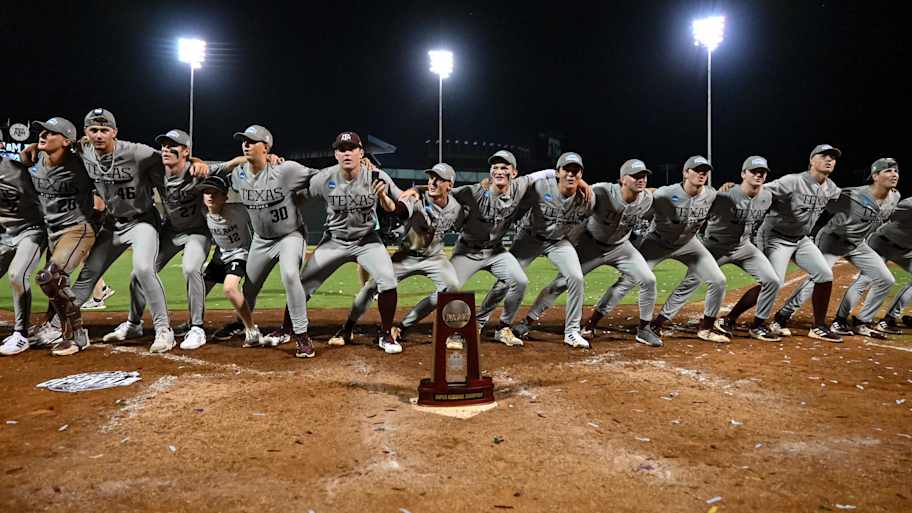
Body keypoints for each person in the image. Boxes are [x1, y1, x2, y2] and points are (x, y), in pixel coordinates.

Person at [400, 150, 554, 347]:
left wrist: (579, 182)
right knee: (446, 289)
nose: (499, 171)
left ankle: (500, 327)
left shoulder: (520, 185)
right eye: (495, 167)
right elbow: (441, 190)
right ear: (490, 172)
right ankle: (404, 326)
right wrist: (418, 190)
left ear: (513, 173)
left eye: (504, 167)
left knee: (519, 280)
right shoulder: (473, 192)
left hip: (495, 251)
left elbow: (547, 173)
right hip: (468, 252)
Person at [583, 155, 730, 344]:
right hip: (657, 242)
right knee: (629, 280)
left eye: (705, 171)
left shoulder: (711, 194)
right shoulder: (664, 194)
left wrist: (730, 187)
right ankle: (591, 322)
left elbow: (733, 197)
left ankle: (697, 327)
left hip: (688, 243)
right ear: (686, 173)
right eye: (697, 170)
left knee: (718, 280)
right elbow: (642, 198)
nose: (702, 173)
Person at [517, 159, 659, 346]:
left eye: (644, 176)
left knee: (649, 280)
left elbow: (662, 196)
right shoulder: (602, 191)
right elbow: (572, 185)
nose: (641, 180)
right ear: (623, 179)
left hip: (621, 248)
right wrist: (581, 182)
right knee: (561, 283)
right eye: (636, 176)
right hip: (590, 245)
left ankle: (644, 329)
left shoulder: (647, 199)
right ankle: (526, 322)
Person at [213, 124, 321, 358]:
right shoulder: (238, 174)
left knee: (290, 275)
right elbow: (212, 174)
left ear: (267, 147)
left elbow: (319, 178)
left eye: (252, 141)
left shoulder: (286, 170)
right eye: (244, 140)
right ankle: (243, 323)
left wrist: (302, 196)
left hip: (289, 235)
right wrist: (233, 162)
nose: (246, 144)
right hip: (261, 240)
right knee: (249, 288)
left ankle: (301, 335)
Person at [328, 162, 463, 347]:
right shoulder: (416, 199)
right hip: (406, 256)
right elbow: (396, 209)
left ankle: (402, 327)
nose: (432, 182)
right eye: (431, 177)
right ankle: (347, 328)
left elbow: (474, 194)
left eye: (439, 179)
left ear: (450, 185)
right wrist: (383, 194)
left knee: (452, 287)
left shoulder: (456, 206)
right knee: (371, 286)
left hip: (435, 257)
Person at [292, 132, 404, 354]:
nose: (347, 153)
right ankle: (288, 329)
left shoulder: (376, 175)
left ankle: (385, 335)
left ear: (361, 153)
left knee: (388, 280)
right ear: (336, 154)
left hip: (367, 240)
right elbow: (299, 196)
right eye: (342, 149)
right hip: (334, 240)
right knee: (302, 284)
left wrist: (406, 197)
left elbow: (401, 201)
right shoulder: (324, 178)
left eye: (352, 148)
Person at [657, 156, 782, 341]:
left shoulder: (767, 196)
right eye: (754, 171)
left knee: (772, 281)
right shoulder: (722, 196)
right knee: (690, 283)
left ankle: (755, 326)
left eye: (762, 172)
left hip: (744, 246)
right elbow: (695, 202)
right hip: (715, 246)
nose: (759, 175)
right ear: (743, 174)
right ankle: (657, 322)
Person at [476, 152, 593, 348]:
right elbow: (512, 189)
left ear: (582, 174)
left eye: (576, 171)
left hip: (558, 241)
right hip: (529, 238)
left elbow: (584, 220)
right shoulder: (539, 187)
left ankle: (571, 331)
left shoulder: (588, 197)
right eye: (567, 170)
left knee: (576, 277)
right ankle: (479, 321)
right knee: (507, 279)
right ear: (558, 172)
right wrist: (488, 185)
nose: (571, 175)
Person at [729, 144, 843, 342]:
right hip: (775, 236)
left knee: (824, 275)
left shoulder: (831, 187)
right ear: (811, 160)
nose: (829, 160)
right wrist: (735, 189)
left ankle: (818, 326)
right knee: (773, 281)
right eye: (824, 156)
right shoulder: (793, 181)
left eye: (832, 157)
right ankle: (733, 319)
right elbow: (761, 190)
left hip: (801, 239)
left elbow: (847, 198)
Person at [776, 157, 900, 338]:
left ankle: (852, 321)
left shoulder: (895, 197)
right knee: (819, 278)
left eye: (896, 171)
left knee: (885, 279)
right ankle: (782, 316)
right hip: (832, 241)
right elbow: (819, 197)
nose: (894, 174)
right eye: (888, 171)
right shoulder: (853, 195)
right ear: (875, 176)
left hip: (857, 243)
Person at [117, 129, 212, 350]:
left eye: (173, 147)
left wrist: (269, 159)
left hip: (198, 231)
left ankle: (197, 327)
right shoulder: (157, 170)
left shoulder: (198, 171)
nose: (166, 150)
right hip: (170, 231)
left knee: (190, 269)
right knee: (139, 273)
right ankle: (133, 323)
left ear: (186, 151)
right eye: (164, 146)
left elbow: (230, 167)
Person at [10, 117, 97, 356]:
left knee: (51, 277)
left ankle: (77, 336)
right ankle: (52, 326)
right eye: (43, 131)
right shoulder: (34, 159)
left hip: (76, 229)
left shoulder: (82, 164)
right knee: (51, 284)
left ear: (67, 141)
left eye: (51, 133)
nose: (43, 135)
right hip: (49, 230)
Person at [194, 175, 261, 347]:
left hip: (240, 254)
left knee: (230, 288)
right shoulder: (202, 212)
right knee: (197, 289)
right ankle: (194, 326)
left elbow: (258, 207)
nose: (210, 196)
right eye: (207, 192)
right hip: (220, 257)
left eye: (215, 193)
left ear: (225, 196)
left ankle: (251, 329)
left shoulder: (238, 210)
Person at [0, 156, 45, 356]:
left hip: (32, 229)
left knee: (17, 275)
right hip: (4, 233)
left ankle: (21, 334)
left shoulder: (19, 169)